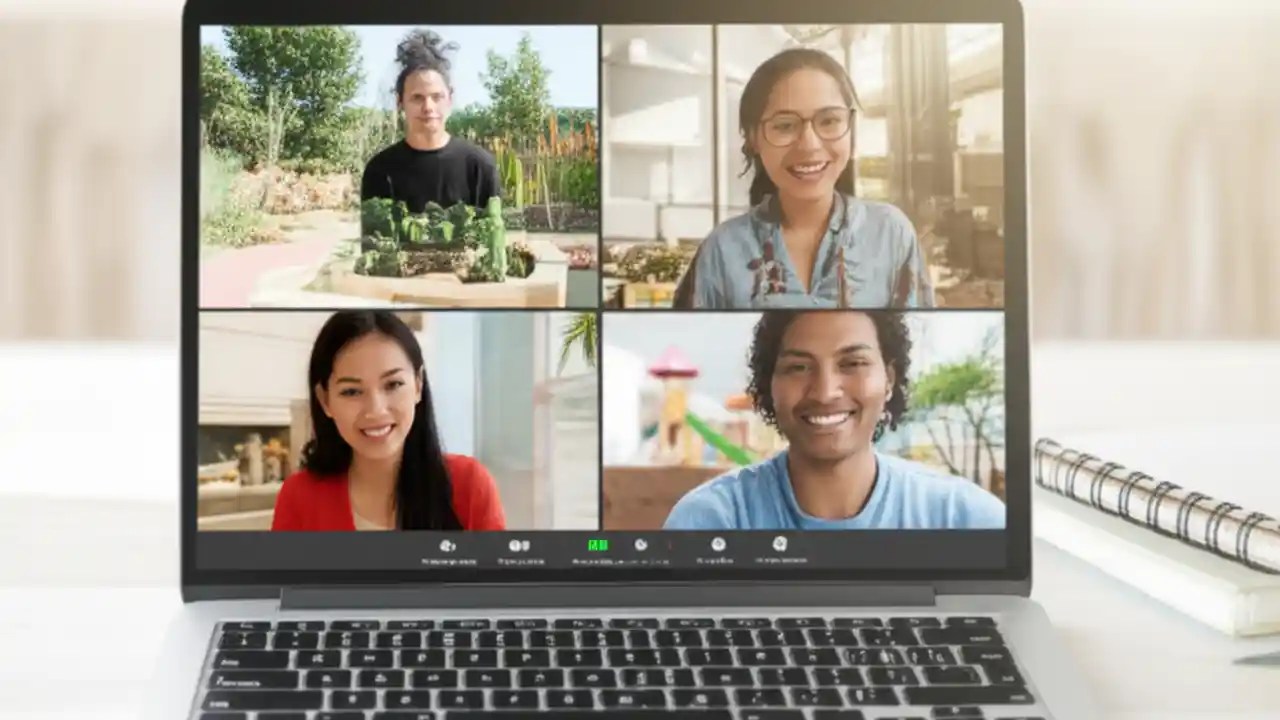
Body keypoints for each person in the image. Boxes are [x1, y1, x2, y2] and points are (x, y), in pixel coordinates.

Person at [662, 311, 1004, 530]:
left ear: (888, 379)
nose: (825, 392)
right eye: (798, 367)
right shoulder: (710, 520)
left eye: (853, 363)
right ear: (769, 386)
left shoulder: (967, 517)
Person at [673, 48, 933, 309]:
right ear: (753, 138)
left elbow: (918, 341)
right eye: (785, 125)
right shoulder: (722, 250)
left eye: (829, 120)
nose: (809, 145)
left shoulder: (890, 234)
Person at [272, 310, 506, 531]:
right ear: (325, 401)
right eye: (352, 392)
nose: (376, 410)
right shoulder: (299, 497)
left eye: (393, 384)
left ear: (418, 385)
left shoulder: (470, 486)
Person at [360, 30, 501, 238]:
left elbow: (491, 245)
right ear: (400, 102)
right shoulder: (380, 171)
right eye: (417, 98)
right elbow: (375, 247)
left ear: (449, 98)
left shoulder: (479, 167)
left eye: (437, 96)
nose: (428, 107)